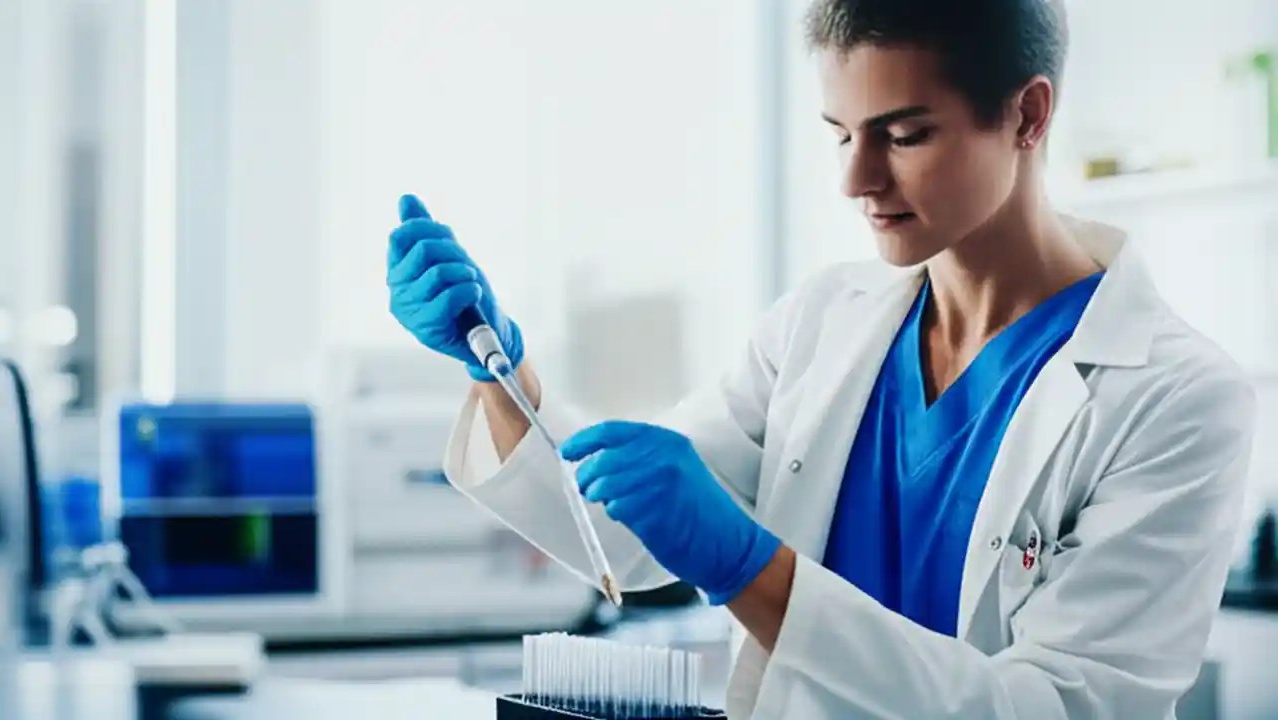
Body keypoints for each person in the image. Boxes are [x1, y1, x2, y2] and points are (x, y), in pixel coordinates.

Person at [384, 0, 1257, 716]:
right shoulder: (820, 325)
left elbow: (1053, 707)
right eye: (842, 134)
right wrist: (497, 372)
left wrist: (750, 568)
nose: (856, 180)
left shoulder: (1178, 398)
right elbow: (624, 537)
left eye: (904, 135)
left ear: (1026, 115)